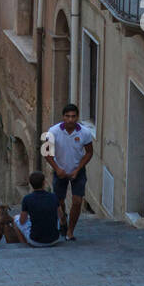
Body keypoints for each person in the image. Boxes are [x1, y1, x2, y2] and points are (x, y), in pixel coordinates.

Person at [44, 103, 95, 242]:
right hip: (60, 169)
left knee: (77, 201)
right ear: (63, 117)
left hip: (78, 171)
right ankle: (62, 220)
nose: (70, 119)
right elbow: (46, 153)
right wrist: (57, 169)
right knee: (59, 200)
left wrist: (78, 169)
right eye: (67, 116)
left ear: (77, 117)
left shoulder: (85, 132)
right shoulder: (53, 131)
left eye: (73, 116)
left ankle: (70, 231)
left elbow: (89, 152)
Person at [15, 170, 61, 247]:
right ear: (44, 183)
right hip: (54, 239)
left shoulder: (27, 199)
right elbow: (60, 215)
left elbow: (22, 221)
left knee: (15, 219)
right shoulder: (53, 196)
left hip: (36, 241)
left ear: (31, 184)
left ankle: (24, 244)